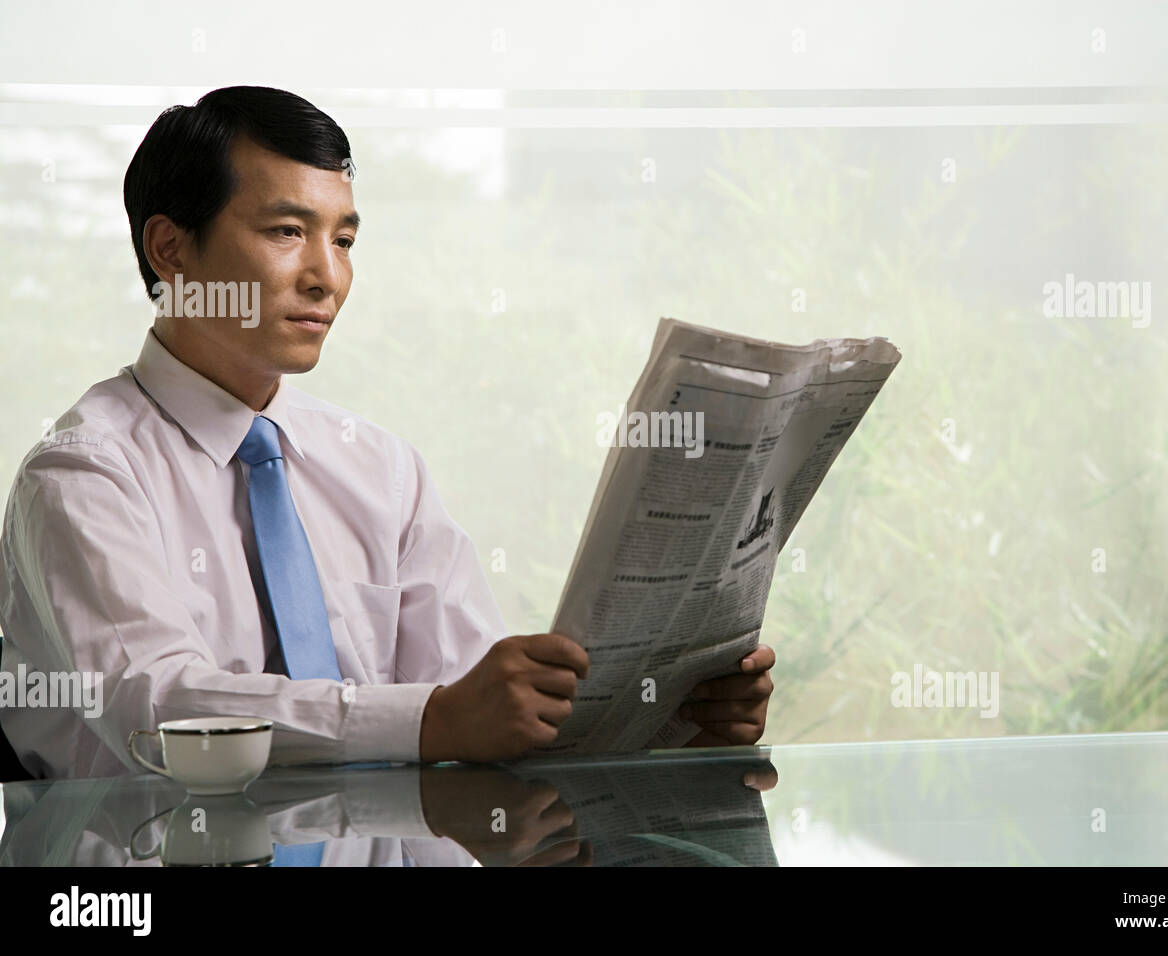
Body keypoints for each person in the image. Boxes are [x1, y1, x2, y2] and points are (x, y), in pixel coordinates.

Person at [0, 86, 774, 780]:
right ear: (169, 249)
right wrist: (433, 718)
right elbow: (159, 706)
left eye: (343, 241)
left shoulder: (381, 470)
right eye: (285, 232)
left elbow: (479, 704)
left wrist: (675, 717)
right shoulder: (84, 474)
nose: (326, 277)